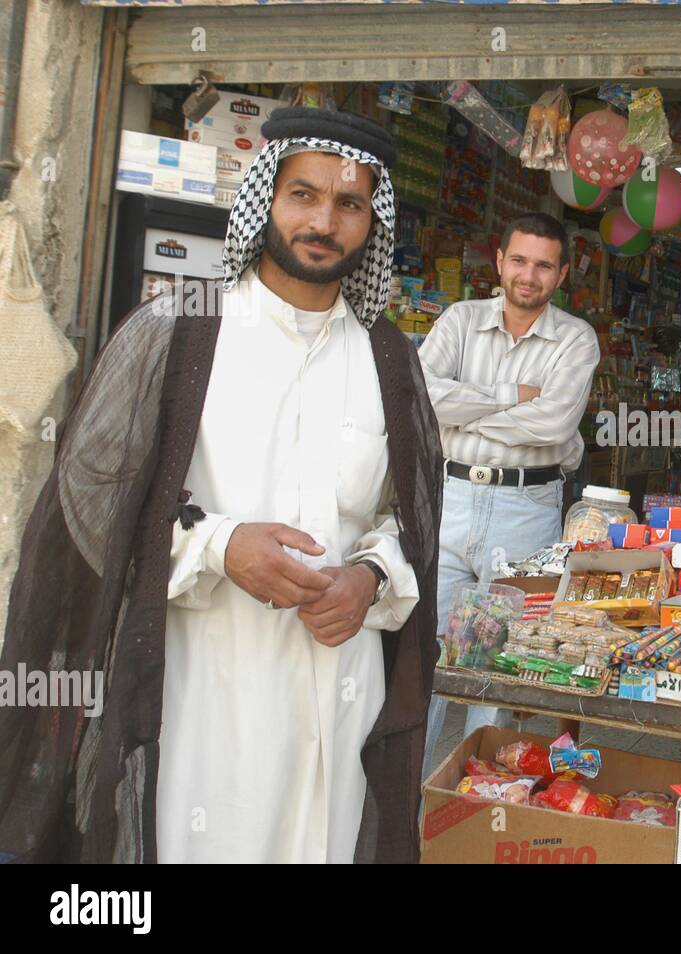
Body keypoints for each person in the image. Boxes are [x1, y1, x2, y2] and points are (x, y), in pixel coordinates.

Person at [0, 108, 442, 863]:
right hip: (206, 695)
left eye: (349, 204)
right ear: (266, 198)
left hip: (340, 698)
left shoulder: (390, 359)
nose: (322, 221)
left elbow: (413, 517)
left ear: (373, 222)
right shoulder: (178, 329)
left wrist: (371, 576)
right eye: (303, 194)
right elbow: (90, 494)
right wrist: (216, 545)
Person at [418, 212, 600, 772]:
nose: (529, 275)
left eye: (543, 265)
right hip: (451, 502)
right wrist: (511, 396)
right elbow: (421, 394)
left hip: (527, 509)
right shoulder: (459, 320)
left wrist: (463, 412)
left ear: (561, 274)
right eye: (518, 260)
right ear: (498, 261)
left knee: (498, 670)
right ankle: (403, 812)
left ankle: (476, 803)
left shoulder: (575, 339)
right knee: (427, 660)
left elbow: (553, 425)